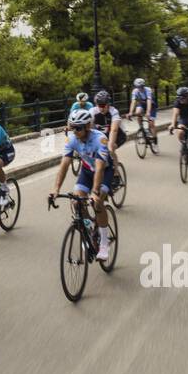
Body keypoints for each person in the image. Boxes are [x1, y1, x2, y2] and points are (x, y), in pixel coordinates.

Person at [48, 108, 116, 261]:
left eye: (78, 128)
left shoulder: (100, 139)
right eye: (72, 127)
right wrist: (56, 189)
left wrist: (95, 192)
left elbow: (99, 168)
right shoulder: (72, 139)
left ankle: (104, 242)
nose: (75, 131)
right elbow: (64, 165)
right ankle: (90, 229)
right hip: (87, 171)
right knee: (76, 201)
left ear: (87, 127)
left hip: (104, 172)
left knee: (97, 203)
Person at [90, 90, 126, 188]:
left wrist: (110, 146)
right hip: (103, 136)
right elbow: (89, 128)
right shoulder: (93, 112)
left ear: (108, 104)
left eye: (103, 105)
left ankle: (116, 174)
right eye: (98, 105)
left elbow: (114, 130)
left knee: (111, 149)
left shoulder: (113, 112)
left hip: (118, 135)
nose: (101, 108)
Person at [127, 77, 159, 147]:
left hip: (151, 106)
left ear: (144, 86)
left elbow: (149, 101)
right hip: (142, 104)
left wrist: (148, 112)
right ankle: (142, 130)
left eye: (141, 87)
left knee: (151, 124)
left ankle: (155, 139)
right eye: (138, 87)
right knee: (137, 112)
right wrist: (130, 112)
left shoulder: (148, 90)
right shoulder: (135, 91)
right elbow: (133, 101)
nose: (140, 88)